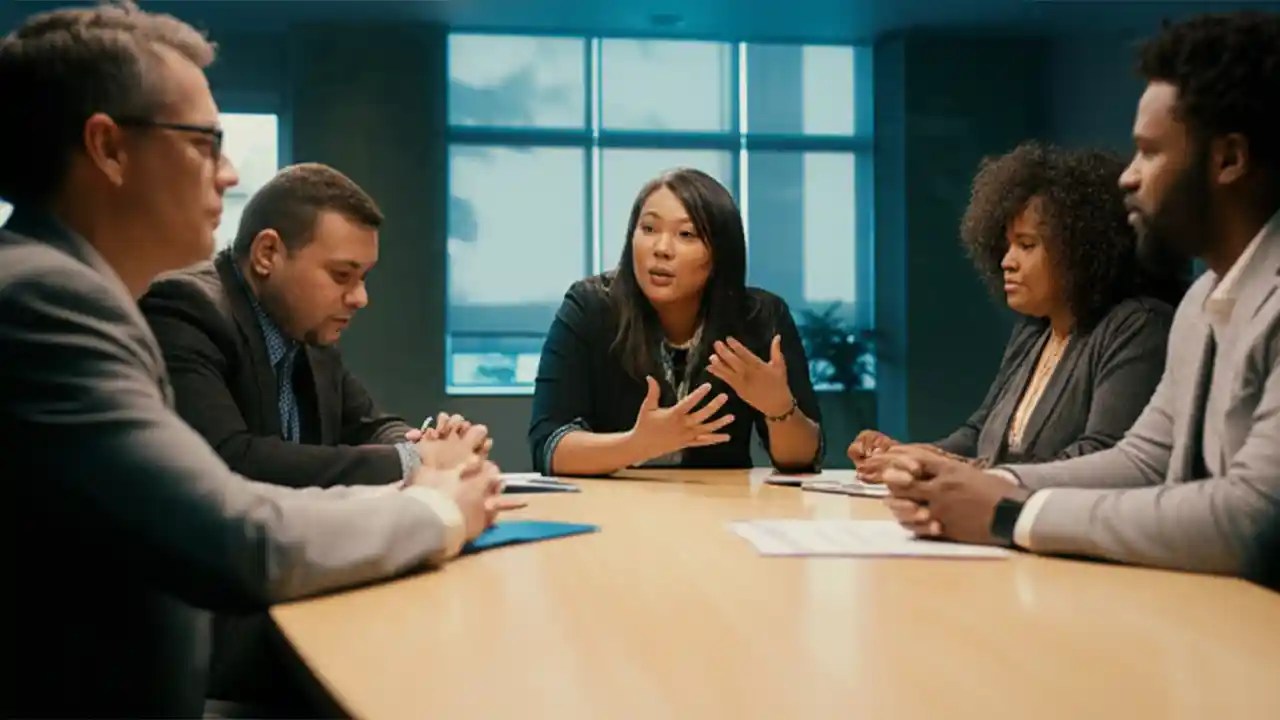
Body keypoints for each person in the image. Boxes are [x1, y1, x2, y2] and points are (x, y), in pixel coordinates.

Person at [0, 3, 520, 717]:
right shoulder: (46, 301)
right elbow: (233, 530)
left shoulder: (71, 291)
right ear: (109, 149)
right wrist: (437, 510)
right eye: (205, 142)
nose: (229, 171)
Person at [870, 11, 1280, 587]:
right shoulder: (1202, 303)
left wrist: (1009, 513)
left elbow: (1254, 520)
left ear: (1229, 159)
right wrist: (991, 486)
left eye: (1151, 153)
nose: (1128, 178)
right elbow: (1144, 461)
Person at [141, 162, 482, 491]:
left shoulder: (307, 333)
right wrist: (416, 461)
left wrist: (428, 444)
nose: (360, 298)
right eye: (341, 275)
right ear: (267, 253)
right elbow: (231, 460)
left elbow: (369, 426)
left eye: (363, 277)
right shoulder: (186, 310)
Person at [849, 144, 1187, 474]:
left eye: (1026, 245)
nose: (1007, 262)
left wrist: (962, 471)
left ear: (1082, 249)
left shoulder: (1139, 325)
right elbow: (978, 434)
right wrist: (905, 455)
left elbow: (1101, 456)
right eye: (1007, 245)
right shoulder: (1034, 329)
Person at [529, 168, 823, 476]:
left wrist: (779, 408)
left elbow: (802, 460)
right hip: (612, 508)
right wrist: (637, 444)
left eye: (686, 235)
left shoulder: (759, 318)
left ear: (720, 253)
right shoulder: (590, 307)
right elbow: (549, 447)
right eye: (649, 228)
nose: (661, 249)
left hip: (718, 508)